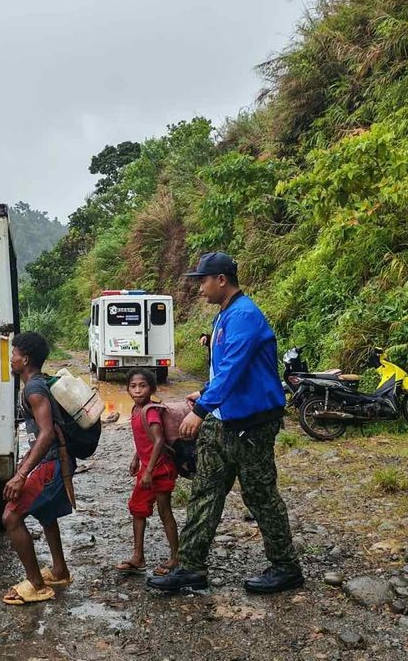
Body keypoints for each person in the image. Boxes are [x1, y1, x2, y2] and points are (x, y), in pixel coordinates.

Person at [147, 252, 303, 595]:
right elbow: (224, 370)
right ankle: (191, 567)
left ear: (221, 280)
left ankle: (286, 567)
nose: (199, 288)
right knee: (205, 492)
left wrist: (200, 409)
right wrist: (205, 393)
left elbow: (234, 368)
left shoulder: (244, 315)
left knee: (260, 495)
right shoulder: (225, 315)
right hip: (223, 420)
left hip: (251, 424)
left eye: (202, 280)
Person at [1, 331, 74, 606]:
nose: (11, 358)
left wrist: (22, 475)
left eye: (14, 354)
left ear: (25, 359)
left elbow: (46, 433)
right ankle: (59, 570)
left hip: (51, 463)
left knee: (11, 517)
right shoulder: (35, 384)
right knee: (46, 513)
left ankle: (36, 585)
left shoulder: (34, 389)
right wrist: (24, 466)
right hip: (50, 461)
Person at [115, 368, 179, 577]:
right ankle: (138, 557)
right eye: (133, 386)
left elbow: (159, 440)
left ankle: (176, 557)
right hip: (147, 469)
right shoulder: (136, 410)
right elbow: (145, 439)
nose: (137, 390)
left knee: (164, 511)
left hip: (160, 469)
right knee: (138, 509)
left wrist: (149, 470)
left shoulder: (150, 411)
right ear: (127, 389)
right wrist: (136, 459)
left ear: (151, 389)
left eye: (142, 386)